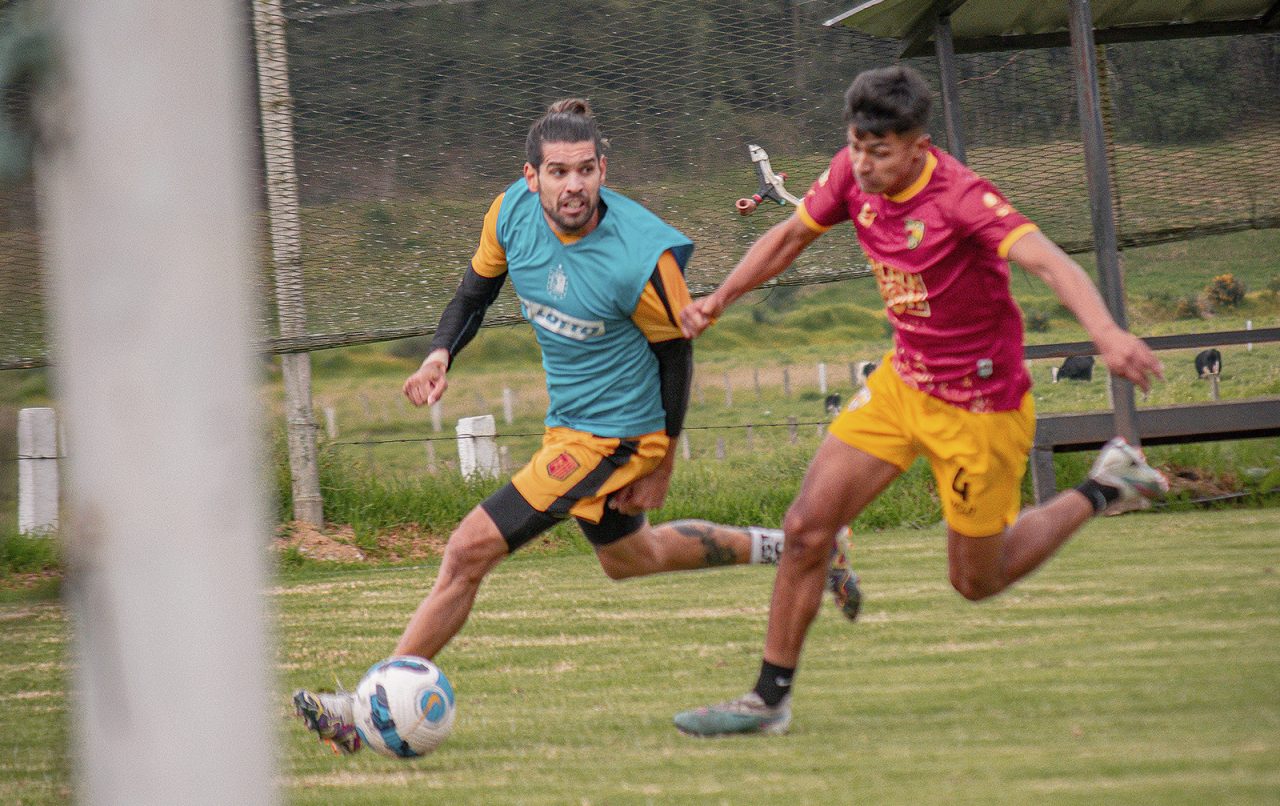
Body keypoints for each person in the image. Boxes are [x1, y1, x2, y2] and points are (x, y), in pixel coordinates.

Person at [291, 98, 858, 754]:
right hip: (569, 427)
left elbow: (676, 355)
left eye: (586, 170)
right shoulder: (509, 214)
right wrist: (440, 352)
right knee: (630, 559)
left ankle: (363, 713)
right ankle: (803, 550)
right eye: (558, 172)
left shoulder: (641, 256)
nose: (574, 185)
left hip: (619, 436)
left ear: (603, 171)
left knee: (468, 550)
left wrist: (662, 460)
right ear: (531, 176)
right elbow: (474, 293)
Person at [672, 65, 1169, 737]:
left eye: (879, 152)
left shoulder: (961, 198)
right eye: (856, 146)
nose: (863, 164)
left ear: (918, 147)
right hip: (903, 384)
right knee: (806, 528)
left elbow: (1051, 262)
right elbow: (789, 236)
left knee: (975, 581)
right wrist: (719, 299)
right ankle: (768, 702)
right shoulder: (849, 175)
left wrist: (1107, 335)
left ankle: (1107, 485)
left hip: (979, 407)